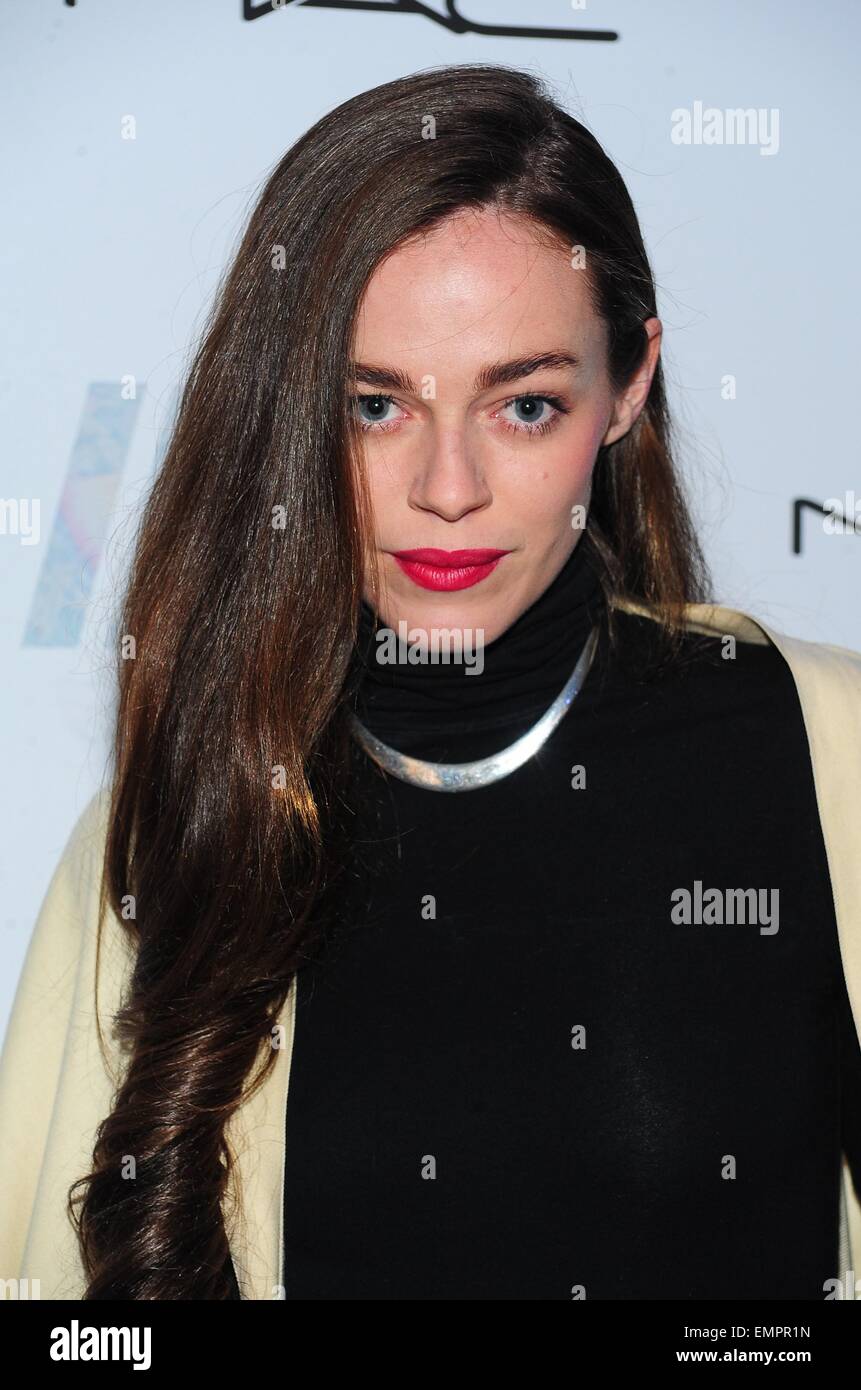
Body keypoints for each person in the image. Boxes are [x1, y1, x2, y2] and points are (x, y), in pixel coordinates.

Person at [2, 62, 861, 1301]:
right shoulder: (177, 823)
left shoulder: (819, 754)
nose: (446, 488)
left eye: (523, 404)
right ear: (292, 411)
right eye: (374, 405)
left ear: (627, 385)